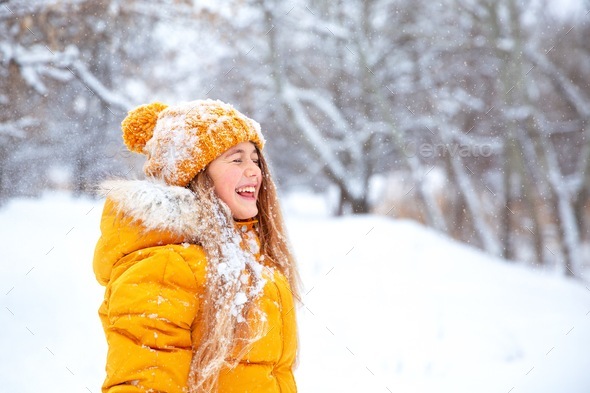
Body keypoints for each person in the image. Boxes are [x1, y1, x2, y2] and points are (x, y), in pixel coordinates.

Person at [93, 99, 300, 393]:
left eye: (255, 159)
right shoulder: (166, 266)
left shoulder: (248, 256)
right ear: (197, 175)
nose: (255, 171)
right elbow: (146, 383)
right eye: (236, 158)